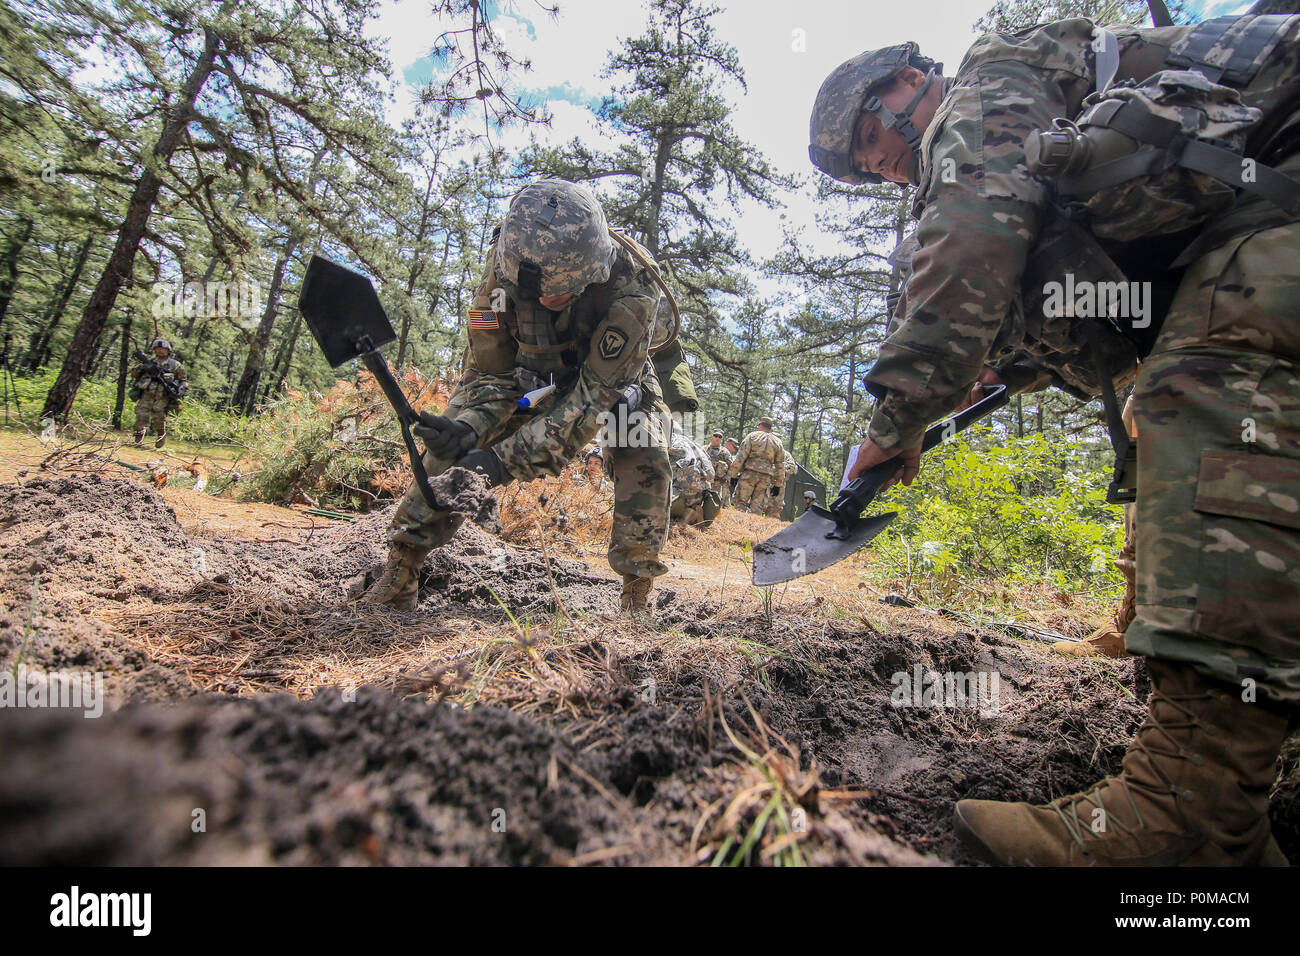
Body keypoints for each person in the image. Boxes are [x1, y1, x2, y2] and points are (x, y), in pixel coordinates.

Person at [810, 13, 1300, 865]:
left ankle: (1193, 821)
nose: (877, 161)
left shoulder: (988, 81)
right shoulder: (1035, 105)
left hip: (1279, 203)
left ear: (905, 82)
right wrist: (1006, 371)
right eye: (862, 167)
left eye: (866, 133)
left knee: (1206, 385)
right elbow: (1073, 276)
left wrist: (897, 419)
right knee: (1172, 418)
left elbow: (970, 244)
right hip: (1265, 203)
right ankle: (1180, 672)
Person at [363, 179, 672, 614]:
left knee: (643, 446)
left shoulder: (633, 292)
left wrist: (498, 464)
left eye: (556, 292)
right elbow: (490, 373)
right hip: (532, 379)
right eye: (534, 292)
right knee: (449, 447)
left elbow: (587, 404)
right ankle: (399, 573)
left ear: (590, 274)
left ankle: (636, 596)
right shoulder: (502, 268)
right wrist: (467, 428)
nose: (543, 299)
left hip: (614, 385)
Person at [130, 338, 186, 448]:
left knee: (159, 420)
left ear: (168, 350)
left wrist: (179, 388)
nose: (160, 351)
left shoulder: (175, 365)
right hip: (147, 395)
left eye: (163, 349)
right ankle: (137, 440)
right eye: (158, 349)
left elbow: (183, 380)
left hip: (163, 397)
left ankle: (161, 439)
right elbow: (134, 375)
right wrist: (141, 368)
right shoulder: (149, 363)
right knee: (140, 418)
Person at [729, 416, 788, 515]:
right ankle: (753, 530)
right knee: (757, 508)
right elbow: (780, 465)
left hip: (749, 474)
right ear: (770, 427)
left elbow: (740, 457)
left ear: (760, 425)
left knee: (740, 503)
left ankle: (738, 528)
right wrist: (778, 484)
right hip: (765, 478)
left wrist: (733, 475)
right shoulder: (777, 442)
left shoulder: (752, 436)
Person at [669, 429, 720, 526]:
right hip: (699, 497)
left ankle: (682, 515)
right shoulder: (696, 446)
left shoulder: (672, 441)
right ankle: (693, 514)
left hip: (679, 496)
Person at [705, 429, 733, 507]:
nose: (717, 438)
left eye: (720, 437)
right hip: (705, 481)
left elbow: (731, 467)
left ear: (721, 439)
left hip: (718, 483)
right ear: (712, 436)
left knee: (716, 504)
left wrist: (726, 479)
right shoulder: (704, 449)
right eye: (715, 436)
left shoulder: (724, 452)